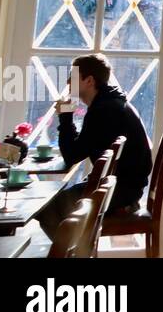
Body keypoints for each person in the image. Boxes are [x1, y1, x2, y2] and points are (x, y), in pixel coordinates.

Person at [36, 53, 154, 237]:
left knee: (47, 210)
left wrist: (65, 117)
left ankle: (68, 254)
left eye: (73, 77)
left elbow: (72, 156)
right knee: (53, 203)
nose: (68, 81)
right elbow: (79, 147)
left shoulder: (104, 111)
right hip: (124, 187)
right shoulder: (110, 103)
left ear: (89, 80)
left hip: (119, 192)